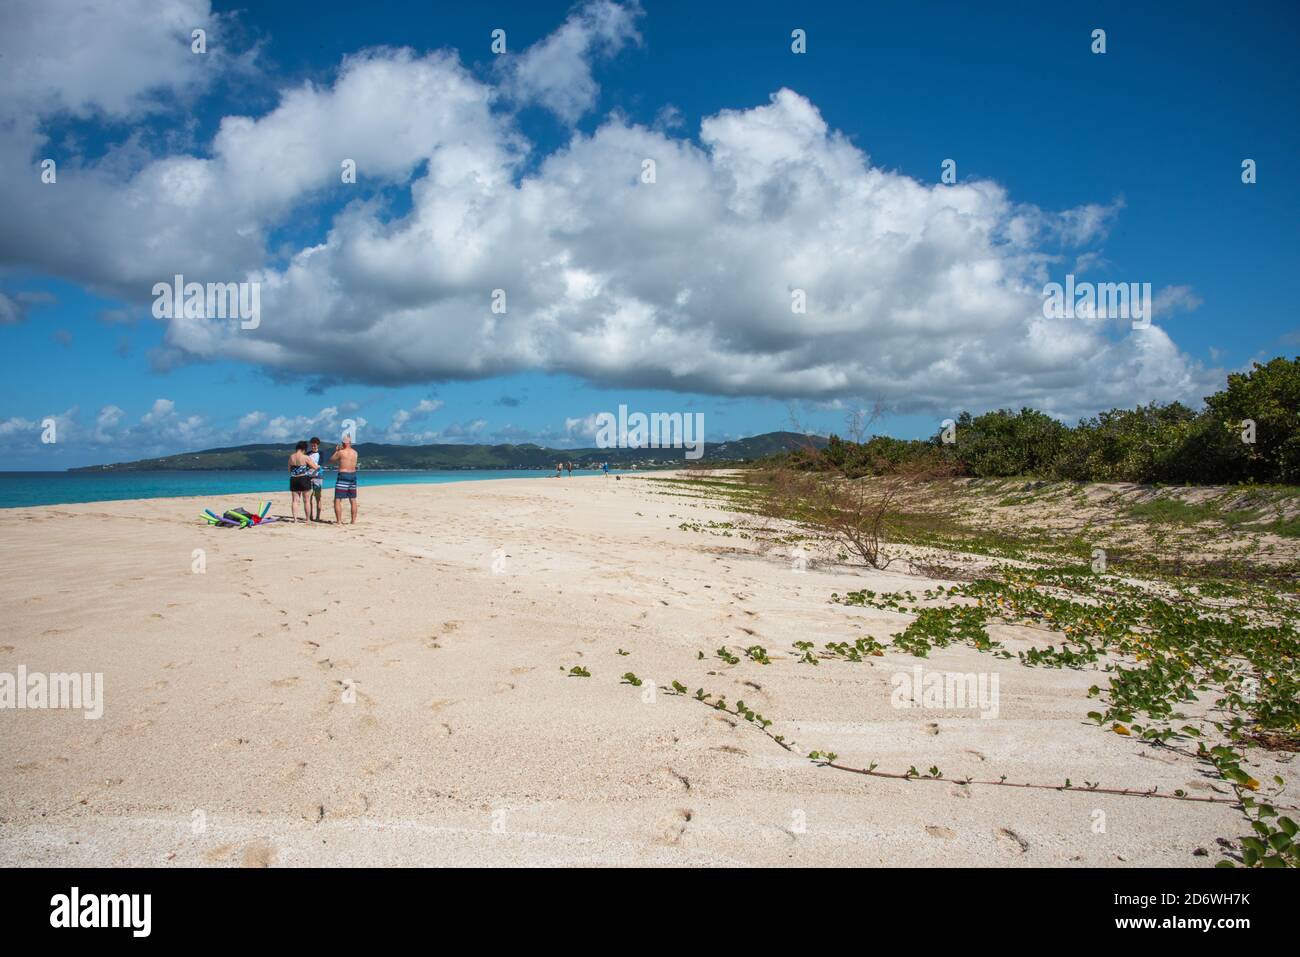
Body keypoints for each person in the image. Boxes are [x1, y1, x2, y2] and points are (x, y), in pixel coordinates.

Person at [329, 434, 360, 524]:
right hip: (353, 475)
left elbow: (331, 460)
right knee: (353, 499)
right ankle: (353, 521)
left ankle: (339, 521)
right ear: (350, 443)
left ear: (343, 443)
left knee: (337, 499)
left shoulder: (341, 452)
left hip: (343, 475)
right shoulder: (355, 452)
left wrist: (336, 451)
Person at [288, 441, 314, 522]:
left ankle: (295, 519)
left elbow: (289, 470)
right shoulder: (305, 457)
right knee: (306, 500)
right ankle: (307, 519)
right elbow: (315, 467)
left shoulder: (291, 457)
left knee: (295, 500)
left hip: (294, 479)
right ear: (304, 449)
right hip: (304, 478)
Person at [307, 436, 324, 521]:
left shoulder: (321, 453)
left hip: (318, 477)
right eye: (312, 445)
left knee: (318, 497)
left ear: (318, 445)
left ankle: (318, 517)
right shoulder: (307, 454)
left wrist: (315, 467)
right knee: (308, 497)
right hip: (308, 477)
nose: (313, 447)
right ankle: (310, 516)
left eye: (315, 445)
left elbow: (320, 464)